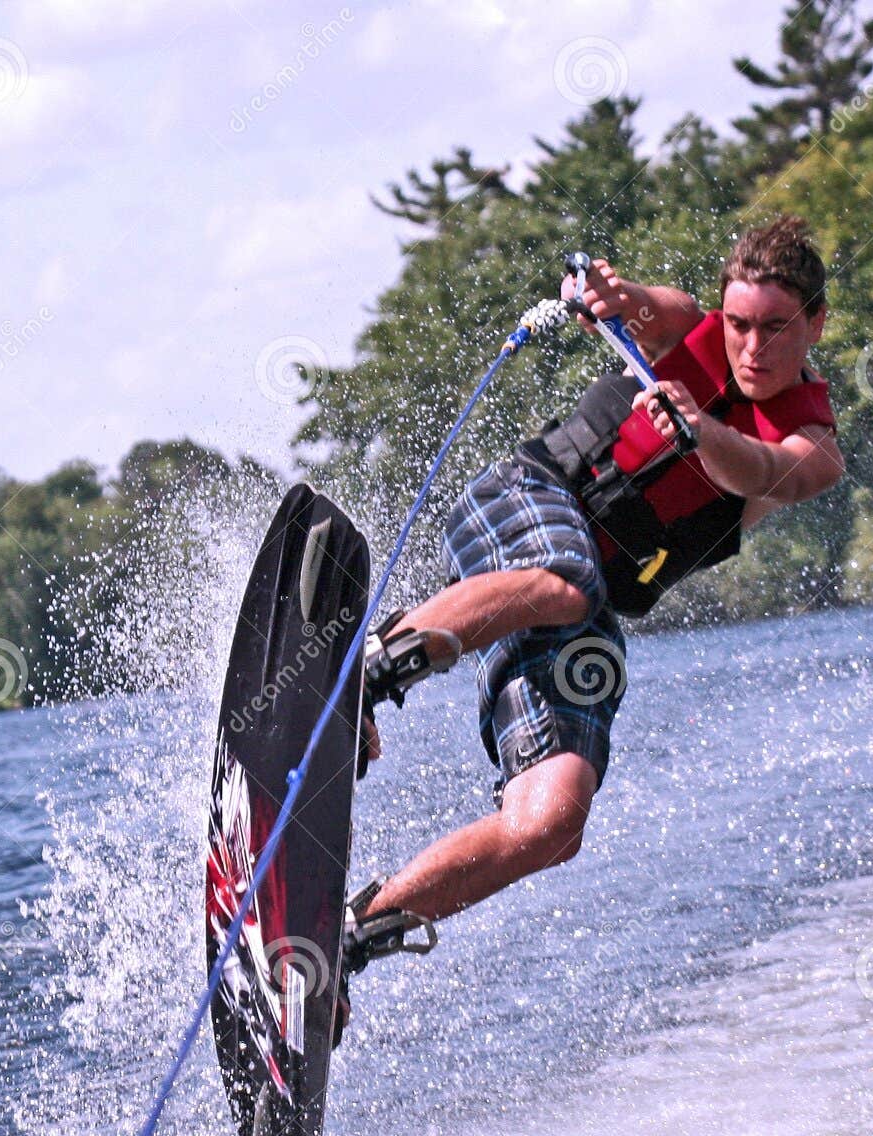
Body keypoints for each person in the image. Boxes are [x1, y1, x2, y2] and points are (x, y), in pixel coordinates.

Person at [340, 215, 845, 1016]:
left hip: (580, 602)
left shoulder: (813, 448)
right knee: (566, 578)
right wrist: (605, 295)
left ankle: (348, 943)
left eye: (776, 329)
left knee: (555, 822)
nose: (752, 348)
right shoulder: (685, 321)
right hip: (522, 503)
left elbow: (761, 468)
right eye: (740, 325)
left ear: (815, 323)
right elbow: (638, 306)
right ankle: (357, 679)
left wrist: (703, 429)